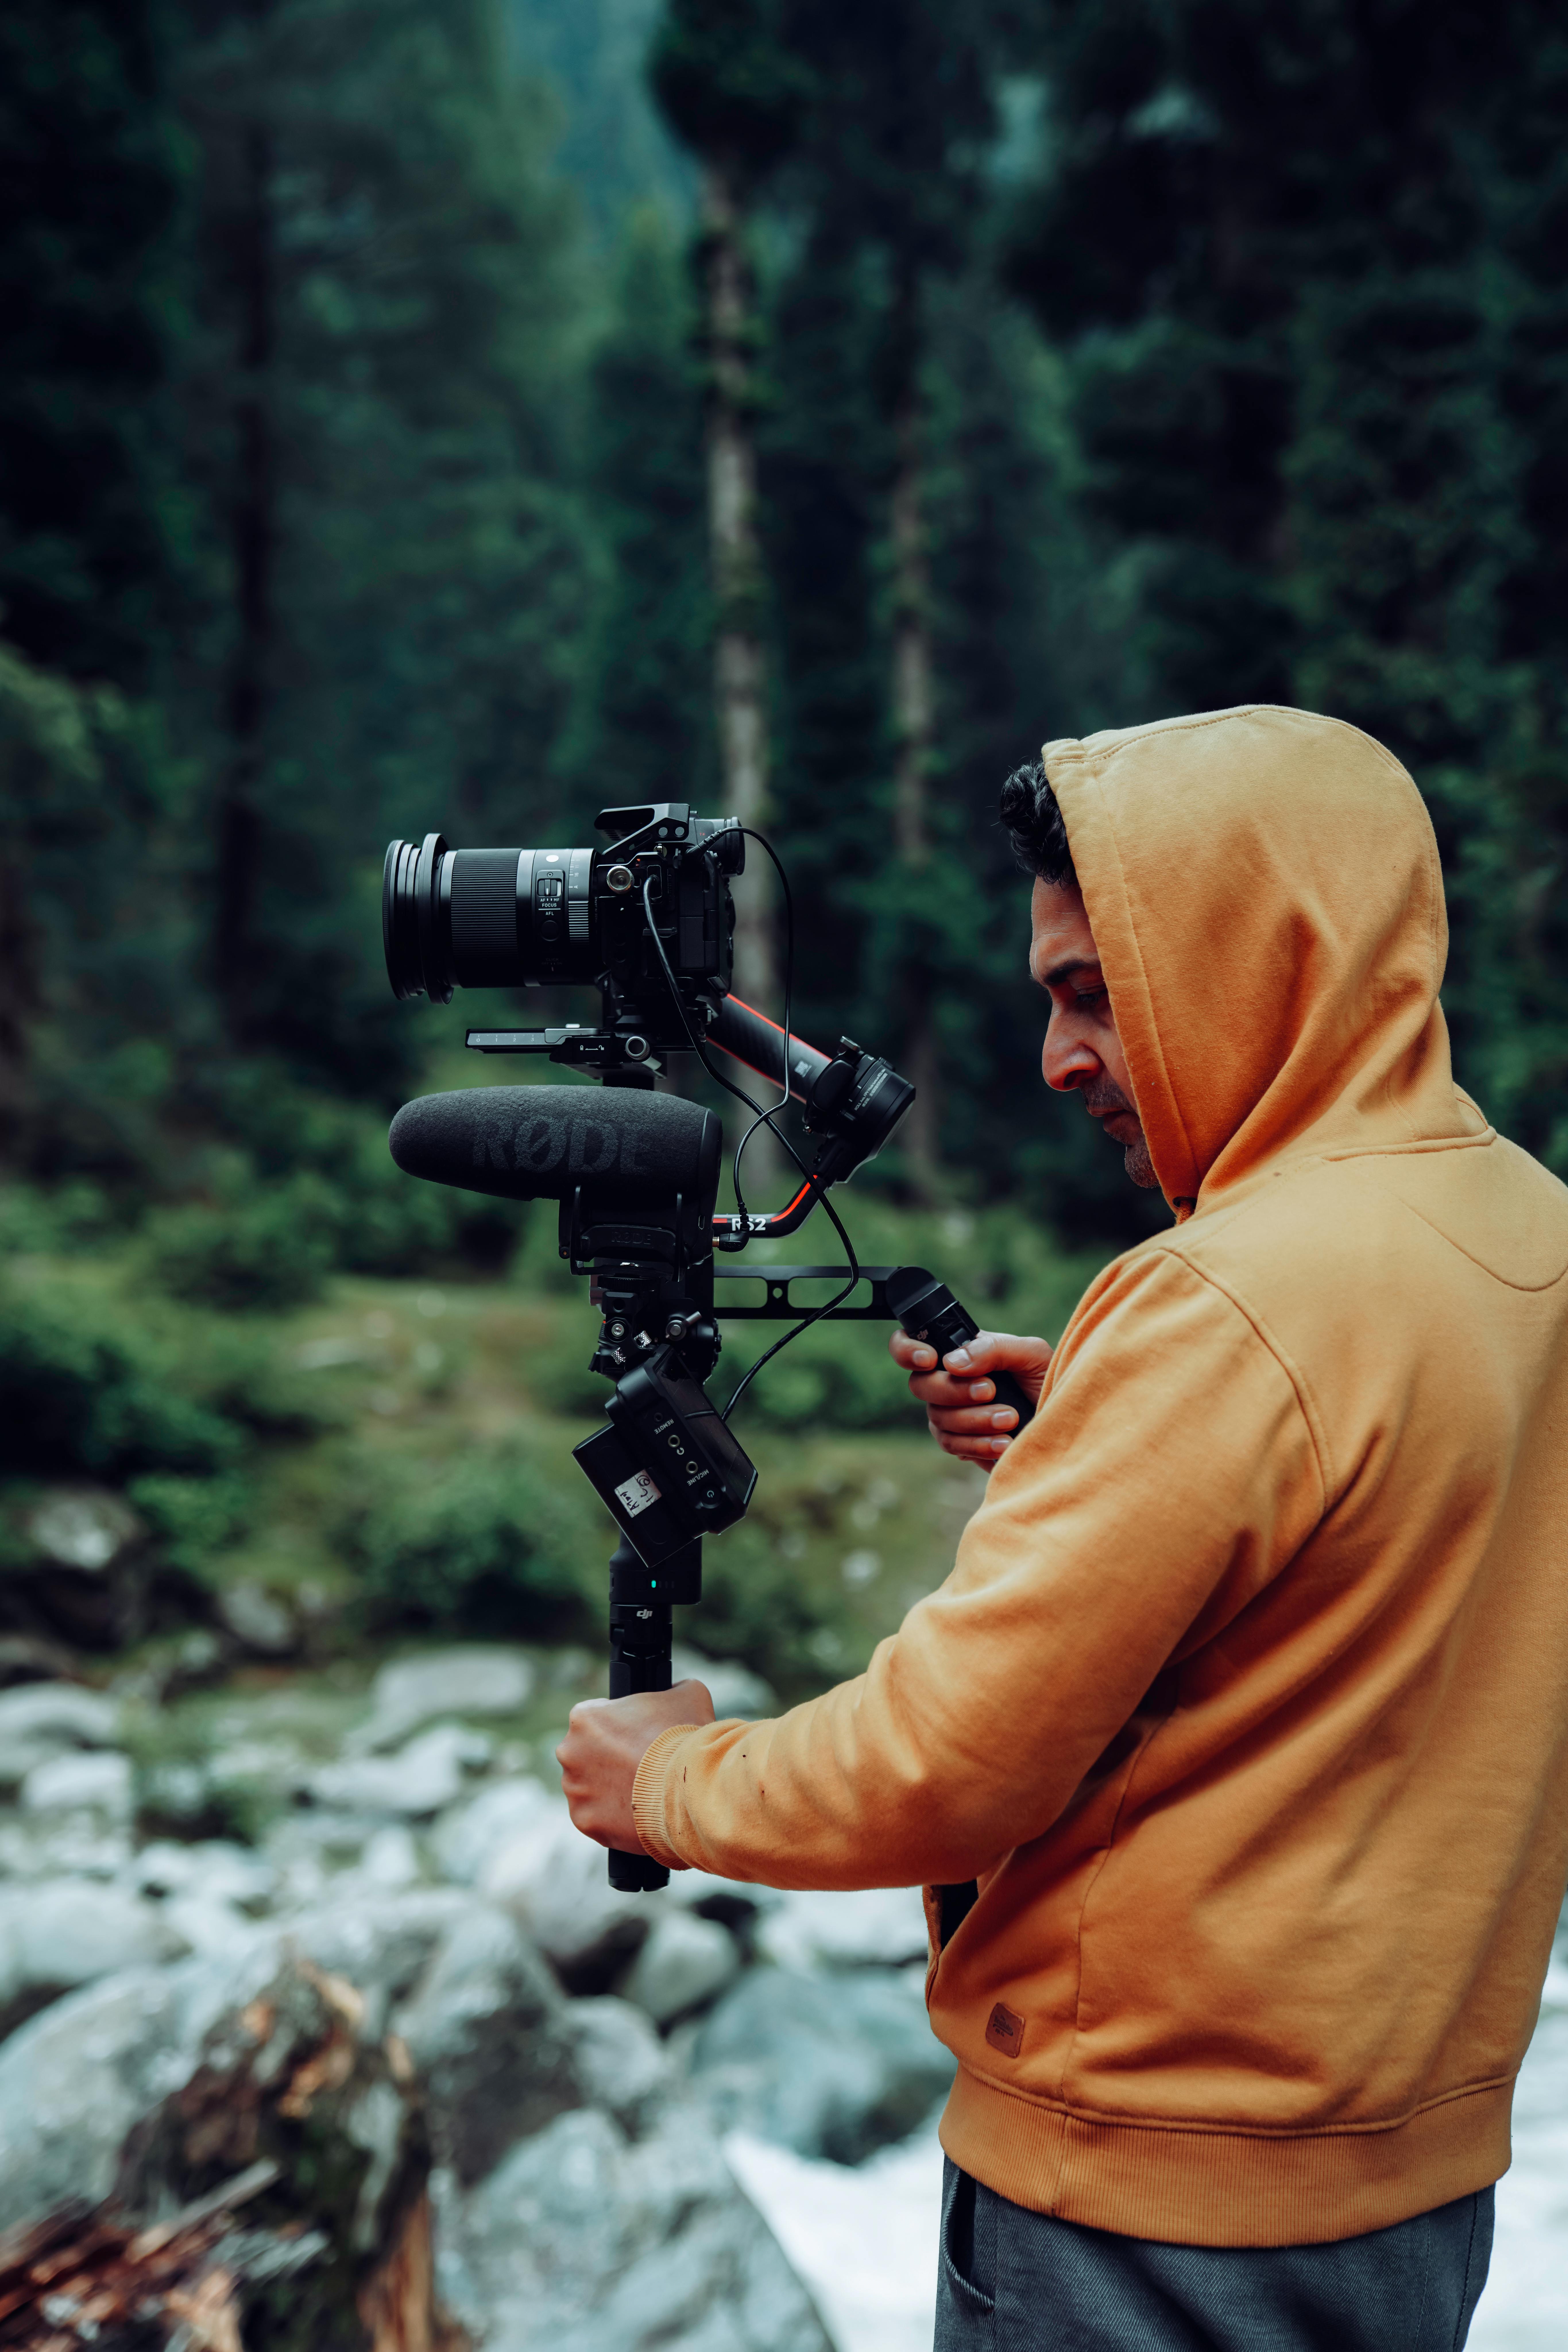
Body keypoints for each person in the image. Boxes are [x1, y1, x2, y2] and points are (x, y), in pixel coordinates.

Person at [558, 704, 1568, 2350]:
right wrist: (1093, 1443)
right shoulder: (1526, 1227)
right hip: (1407, 2193)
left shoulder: (1220, 1304)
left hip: (1142, 2214)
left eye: (1096, 992)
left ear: (1270, 952)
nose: (1060, 1059)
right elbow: (1389, 1575)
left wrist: (664, 1784)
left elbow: (943, 1770)